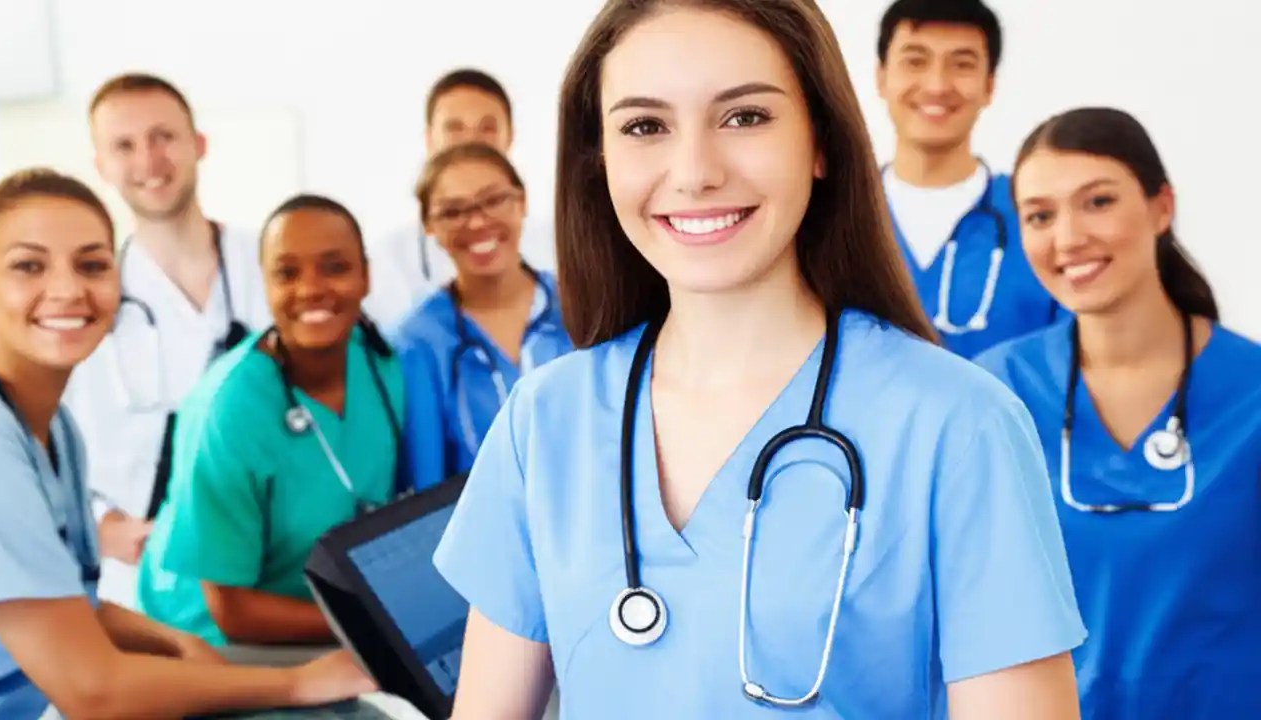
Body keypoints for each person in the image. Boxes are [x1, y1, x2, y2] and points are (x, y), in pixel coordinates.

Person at [431, 1, 1088, 718]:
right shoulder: (544, 422)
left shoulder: (960, 425)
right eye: (645, 126)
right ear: (600, 160)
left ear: (821, 141)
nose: (695, 172)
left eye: (744, 117)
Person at [0, 168, 373, 719]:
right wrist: (293, 685)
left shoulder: (51, 430)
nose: (68, 289)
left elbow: (70, 607)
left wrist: (176, 645)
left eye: (92, 264)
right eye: (29, 265)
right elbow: (93, 692)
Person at [974, 108, 1261, 719]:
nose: (1069, 237)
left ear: (1162, 207)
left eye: (1098, 202)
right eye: (1040, 216)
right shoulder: (993, 394)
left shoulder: (1252, 395)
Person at [136, 194, 404, 647]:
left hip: (334, 615)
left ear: (367, 275)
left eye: (335, 267)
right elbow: (232, 611)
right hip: (211, 638)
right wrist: (378, 623)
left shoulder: (381, 366)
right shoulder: (226, 411)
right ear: (264, 283)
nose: (311, 289)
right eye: (287, 272)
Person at [61, 72, 271, 609]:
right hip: (144, 584)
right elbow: (39, 444)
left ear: (199, 144)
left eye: (164, 137)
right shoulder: (80, 298)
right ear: (101, 166)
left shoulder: (275, 264)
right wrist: (98, 526)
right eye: (124, 145)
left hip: (269, 570)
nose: (148, 160)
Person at [875, 0, 1059, 359]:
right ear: (881, 77)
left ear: (990, 85)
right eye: (915, 60)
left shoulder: (1040, 217)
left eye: (962, 64)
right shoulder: (831, 211)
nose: (937, 85)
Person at [392, 143, 572, 493]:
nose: (476, 221)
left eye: (493, 200)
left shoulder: (585, 305)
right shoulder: (418, 342)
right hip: (485, 541)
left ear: (522, 202)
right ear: (429, 225)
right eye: (453, 211)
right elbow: (427, 491)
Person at [365, 68, 556, 330]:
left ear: (510, 136)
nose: (471, 142)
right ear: (429, 139)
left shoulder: (556, 246)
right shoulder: (389, 261)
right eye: (454, 129)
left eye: (487, 128)